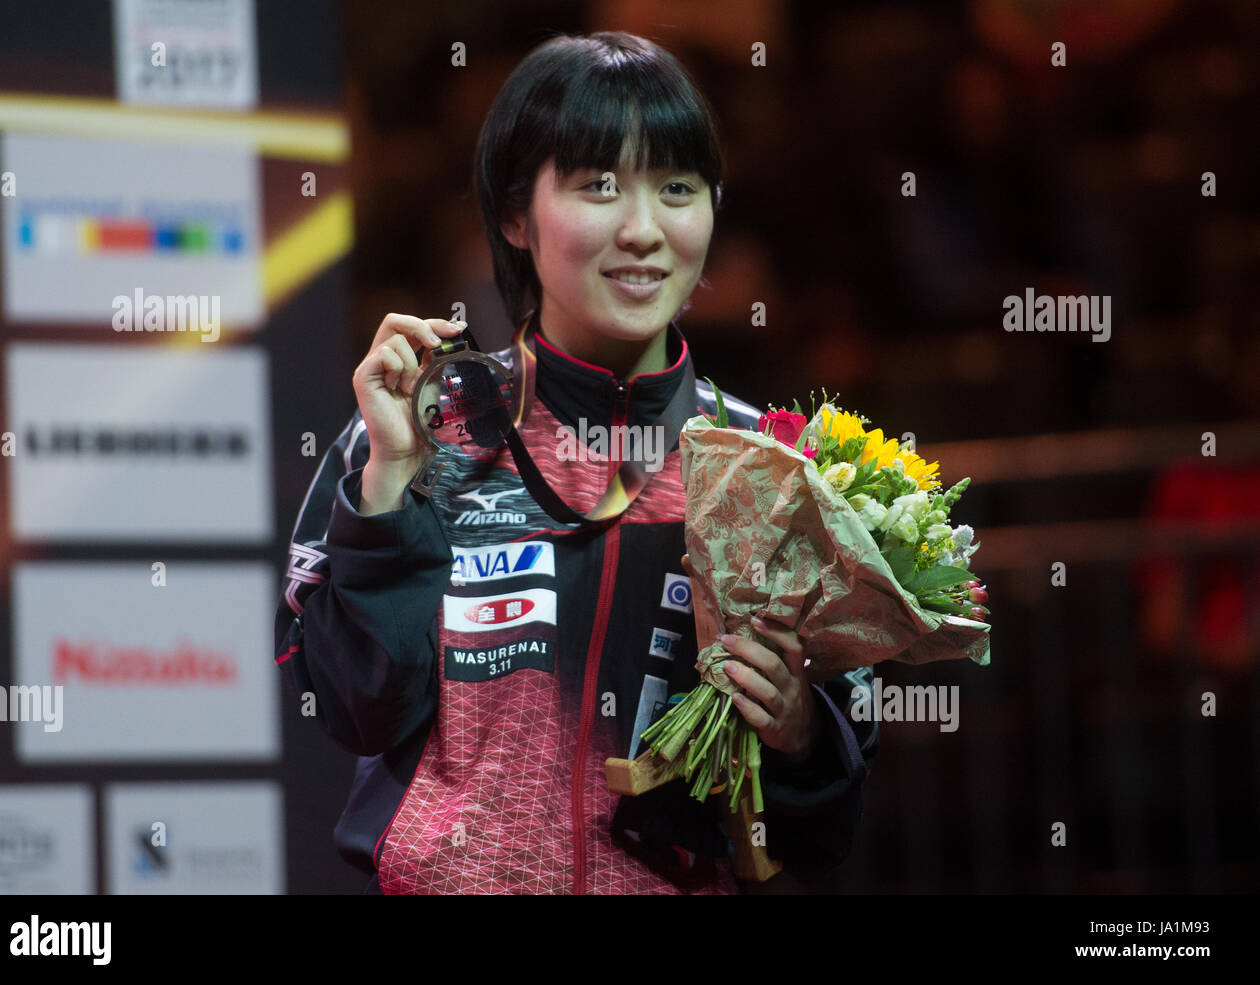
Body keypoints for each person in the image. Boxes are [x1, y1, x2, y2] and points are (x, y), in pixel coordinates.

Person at [274, 30, 877, 894]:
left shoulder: (773, 471)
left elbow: (823, 830)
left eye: (676, 188)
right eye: (598, 185)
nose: (642, 230)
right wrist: (385, 492)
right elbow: (357, 706)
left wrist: (799, 735)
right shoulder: (425, 430)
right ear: (516, 216)